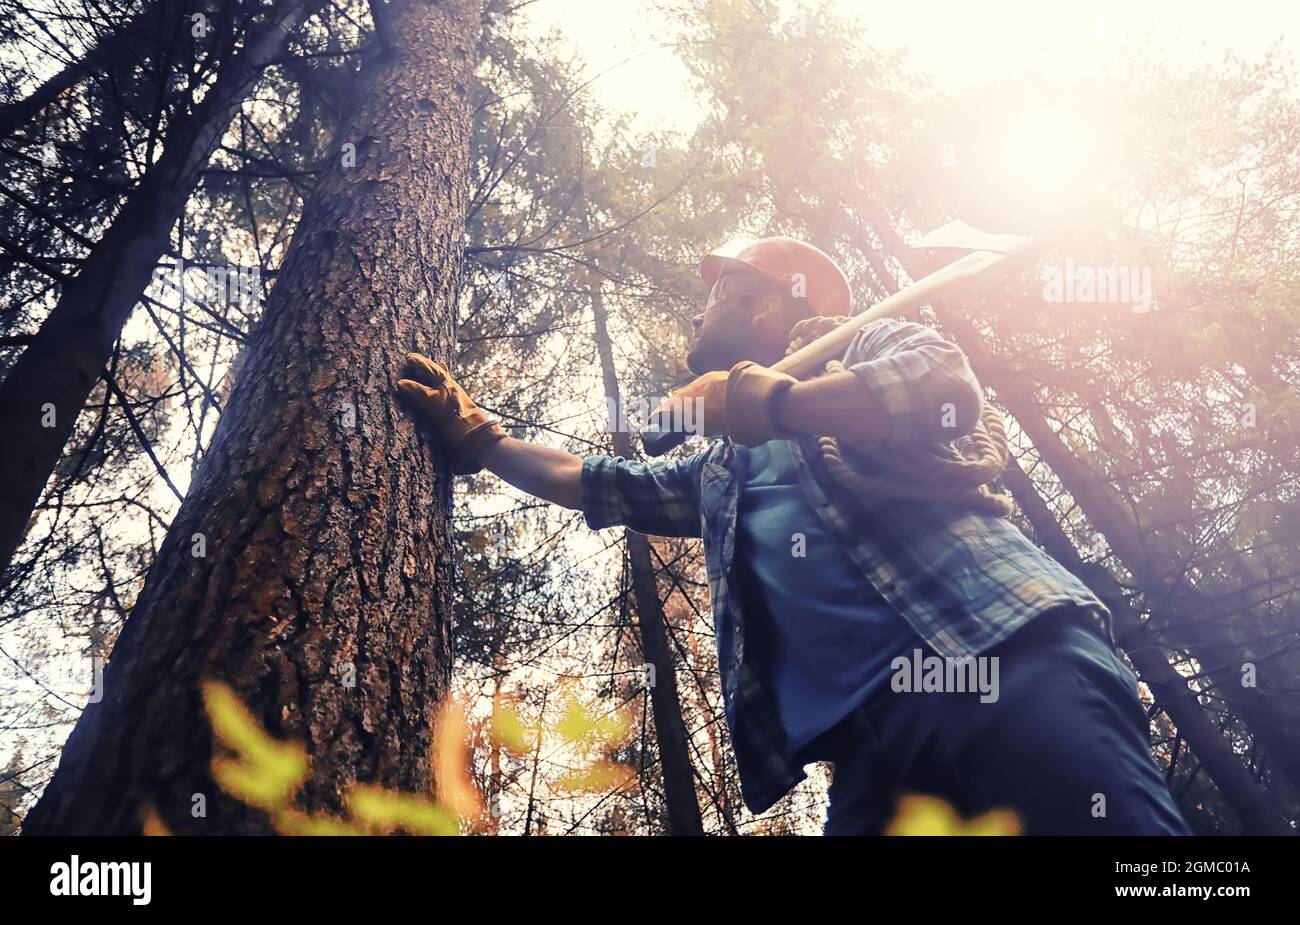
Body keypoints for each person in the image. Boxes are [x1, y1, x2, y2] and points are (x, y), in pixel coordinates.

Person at [397, 237, 1191, 835]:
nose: (697, 312)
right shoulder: (716, 472)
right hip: (869, 758)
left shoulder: (868, 343)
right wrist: (479, 436)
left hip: (1003, 662)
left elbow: (938, 388)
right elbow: (587, 479)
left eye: (716, 296)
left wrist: (767, 400)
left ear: (765, 305)